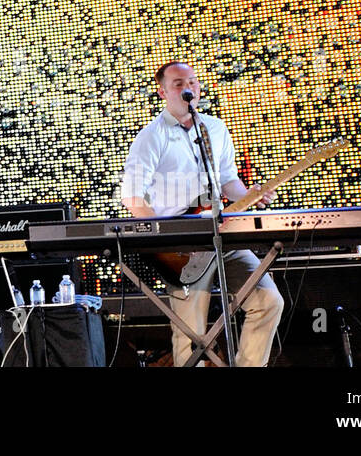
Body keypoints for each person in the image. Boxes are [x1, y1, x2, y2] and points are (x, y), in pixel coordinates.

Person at [120, 61, 284, 367]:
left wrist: (252, 193)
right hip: (182, 246)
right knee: (191, 333)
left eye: (193, 82)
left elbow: (228, 181)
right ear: (163, 92)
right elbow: (132, 196)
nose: (188, 88)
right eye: (179, 83)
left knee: (268, 301)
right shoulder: (152, 136)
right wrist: (166, 242)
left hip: (221, 234)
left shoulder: (215, 128)